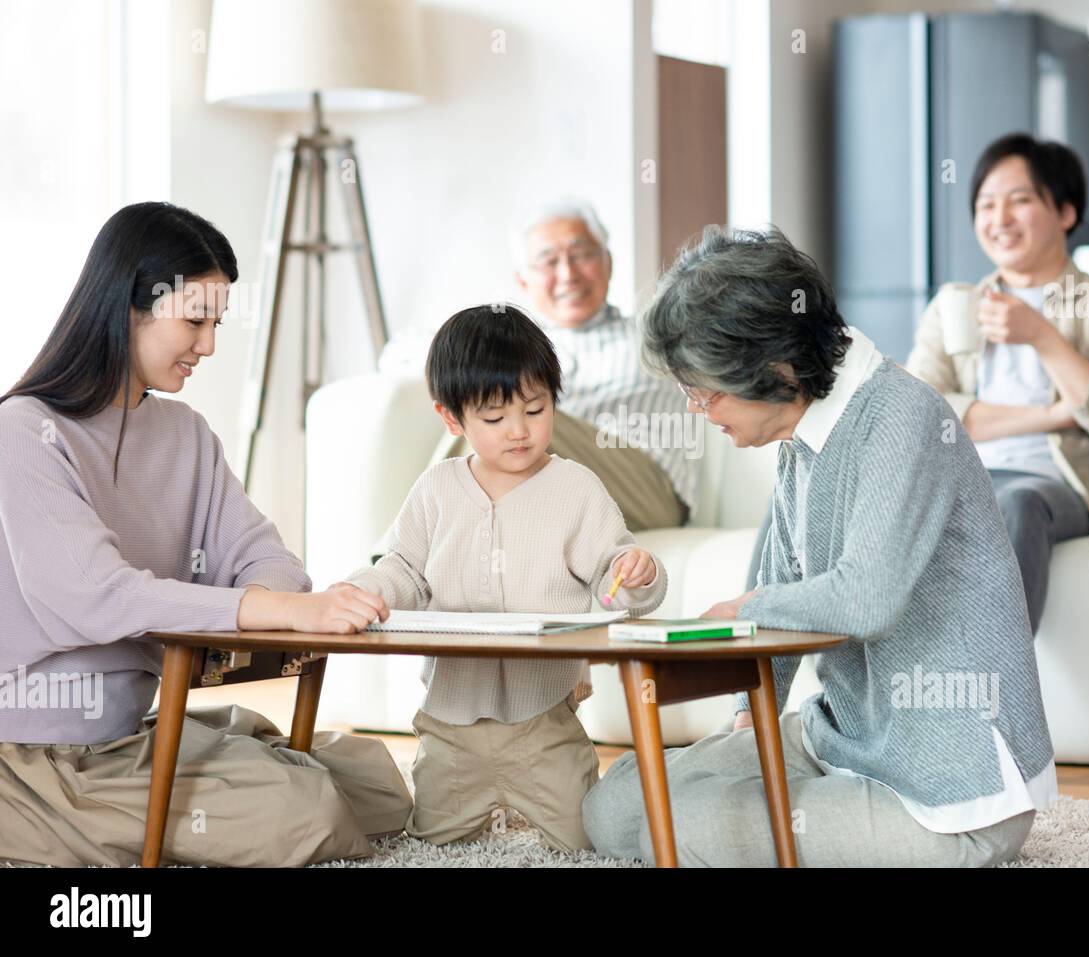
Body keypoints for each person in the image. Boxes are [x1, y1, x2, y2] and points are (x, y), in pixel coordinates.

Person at [582, 225, 1056, 867]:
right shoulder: (800, 432)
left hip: (950, 792)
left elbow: (866, 598)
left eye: (707, 390)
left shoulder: (900, 416)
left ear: (776, 369)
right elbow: (781, 579)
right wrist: (752, 724)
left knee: (683, 829)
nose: (697, 408)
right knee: (615, 809)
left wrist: (745, 610)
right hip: (845, 738)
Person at [0, 202, 412, 867]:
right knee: (302, 812)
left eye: (216, 322)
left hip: (131, 737)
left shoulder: (185, 434)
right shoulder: (24, 430)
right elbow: (93, 594)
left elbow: (267, 559)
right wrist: (275, 609)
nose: (210, 345)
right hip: (39, 763)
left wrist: (247, 619)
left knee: (376, 782)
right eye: (194, 319)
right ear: (128, 306)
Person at [343, 304, 667, 853]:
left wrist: (634, 574)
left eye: (536, 410)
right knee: (431, 843)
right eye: (494, 419)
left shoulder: (576, 488)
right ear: (452, 419)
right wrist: (360, 593)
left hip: (545, 720)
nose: (519, 431)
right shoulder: (437, 488)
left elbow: (617, 578)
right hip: (450, 721)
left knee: (581, 842)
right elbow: (400, 568)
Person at [906, 133, 1089, 633]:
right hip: (966, 480)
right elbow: (919, 419)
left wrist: (1041, 336)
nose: (999, 220)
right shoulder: (954, 305)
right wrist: (1058, 414)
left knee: (1019, 501)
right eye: (986, 205)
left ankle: (994, 687)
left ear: (1065, 212)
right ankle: (764, 697)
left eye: (1019, 201)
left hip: (1061, 490)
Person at [427, 198, 698, 532]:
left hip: (646, 491)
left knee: (484, 426)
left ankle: (394, 563)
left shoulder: (653, 332)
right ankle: (421, 566)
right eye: (549, 262)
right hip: (552, 487)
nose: (568, 274)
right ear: (523, 281)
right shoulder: (517, 348)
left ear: (608, 263)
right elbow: (403, 350)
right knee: (487, 426)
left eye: (582, 255)